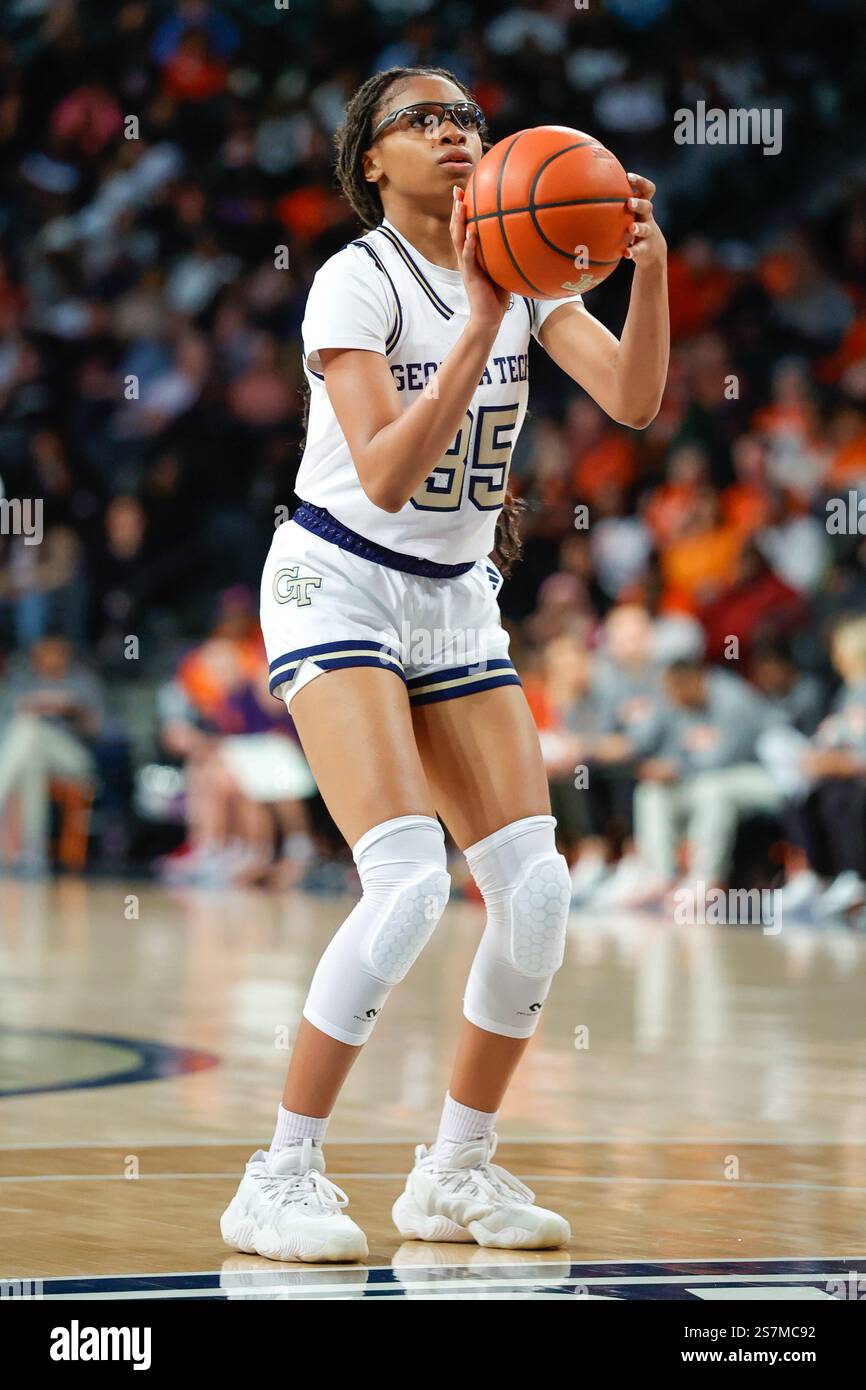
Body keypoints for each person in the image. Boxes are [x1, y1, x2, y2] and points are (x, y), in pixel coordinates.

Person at [221, 65, 669, 1262]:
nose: (452, 132)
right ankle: (279, 1173)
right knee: (409, 880)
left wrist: (647, 266)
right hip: (337, 577)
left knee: (535, 891)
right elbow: (381, 475)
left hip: (454, 598)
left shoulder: (527, 270)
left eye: (465, 116)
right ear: (370, 160)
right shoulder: (351, 279)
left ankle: (452, 1172)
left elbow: (631, 398)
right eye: (419, 120)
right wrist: (478, 321)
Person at [0, 635, 104, 874]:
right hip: (29, 758)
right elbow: (6, 732)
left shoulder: (82, 682)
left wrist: (73, 709)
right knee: (30, 749)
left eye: (55, 651)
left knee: (29, 733)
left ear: (65, 653)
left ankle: (31, 848)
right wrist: (33, 705)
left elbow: (100, 730)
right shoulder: (23, 683)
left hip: (74, 758)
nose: (50, 657)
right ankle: (34, 852)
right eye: (44, 651)